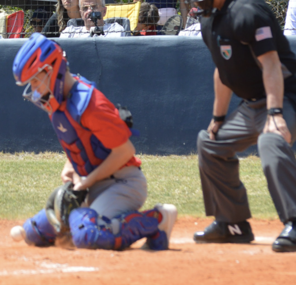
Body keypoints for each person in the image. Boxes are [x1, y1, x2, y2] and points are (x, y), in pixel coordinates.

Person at [182, 0, 296, 253]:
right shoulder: (210, 16)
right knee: (210, 143)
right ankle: (233, 224)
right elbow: (223, 69)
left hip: (286, 95)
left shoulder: (249, 10)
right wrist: (218, 118)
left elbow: (271, 65)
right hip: (252, 104)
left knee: (271, 142)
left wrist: (275, 114)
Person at [11, 33, 177, 250]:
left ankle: (158, 219)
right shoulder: (56, 101)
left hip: (123, 183)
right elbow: (78, 140)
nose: (33, 90)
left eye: (34, 81)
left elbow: (125, 151)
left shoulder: (90, 103)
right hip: (92, 184)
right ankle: (94, 213)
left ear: (51, 71)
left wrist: (87, 181)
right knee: (36, 231)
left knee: (87, 235)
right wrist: (70, 167)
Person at [59, 0, 128, 38]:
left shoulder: (115, 30)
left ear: (104, 11)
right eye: (85, 8)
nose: (89, 11)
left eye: (94, 7)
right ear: (81, 13)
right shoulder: (70, 32)